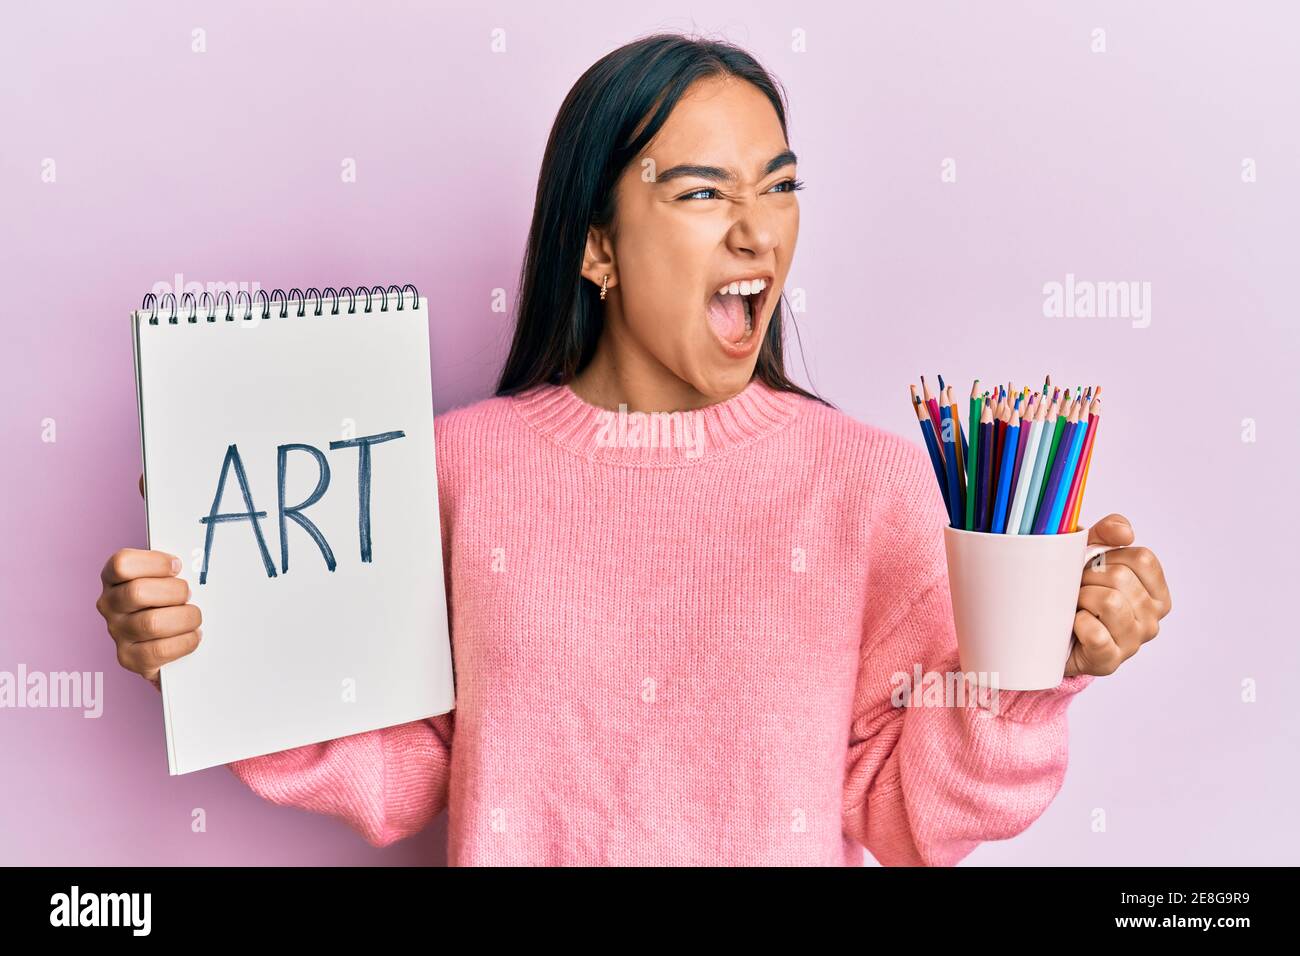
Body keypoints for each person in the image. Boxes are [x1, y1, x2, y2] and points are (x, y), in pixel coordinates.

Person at [95, 33, 1171, 866]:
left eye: (780, 185)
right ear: (598, 246)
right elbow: (406, 767)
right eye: (703, 192)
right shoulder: (451, 471)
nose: (759, 230)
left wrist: (1044, 661)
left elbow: (906, 813)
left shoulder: (870, 486)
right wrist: (210, 649)